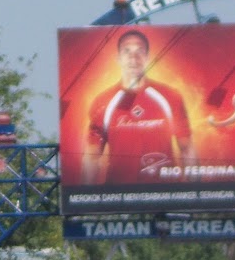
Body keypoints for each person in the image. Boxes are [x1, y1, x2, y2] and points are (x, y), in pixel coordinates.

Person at [82, 29, 196, 184]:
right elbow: (92, 156)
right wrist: (86, 201)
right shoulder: (104, 101)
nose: (133, 58)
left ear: (147, 57)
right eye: (127, 51)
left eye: (139, 51)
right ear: (119, 58)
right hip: (119, 199)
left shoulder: (170, 96)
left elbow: (187, 149)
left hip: (165, 197)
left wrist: (194, 195)